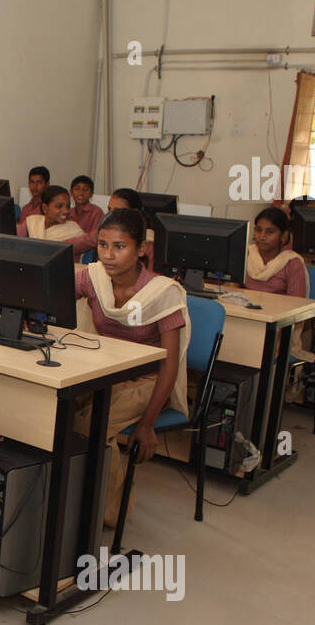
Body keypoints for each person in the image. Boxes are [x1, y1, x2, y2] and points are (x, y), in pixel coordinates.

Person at [74, 209, 189, 527]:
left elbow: (169, 365)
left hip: (149, 380)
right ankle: (72, 497)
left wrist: (148, 424)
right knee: (58, 410)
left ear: (141, 249)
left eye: (119, 246)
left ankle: (109, 514)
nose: (108, 256)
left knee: (91, 427)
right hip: (104, 373)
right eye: (102, 245)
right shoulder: (93, 277)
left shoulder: (162, 293)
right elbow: (49, 291)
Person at [244, 206, 308, 297]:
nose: (262, 237)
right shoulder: (246, 255)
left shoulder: (292, 264)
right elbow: (233, 292)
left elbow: (296, 304)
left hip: (279, 310)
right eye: (258, 230)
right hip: (245, 310)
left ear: (283, 236)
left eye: (270, 232)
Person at [15, 166, 51, 236]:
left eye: (39, 182)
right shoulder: (25, 208)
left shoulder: (48, 208)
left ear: (47, 184)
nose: (34, 186)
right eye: (32, 182)